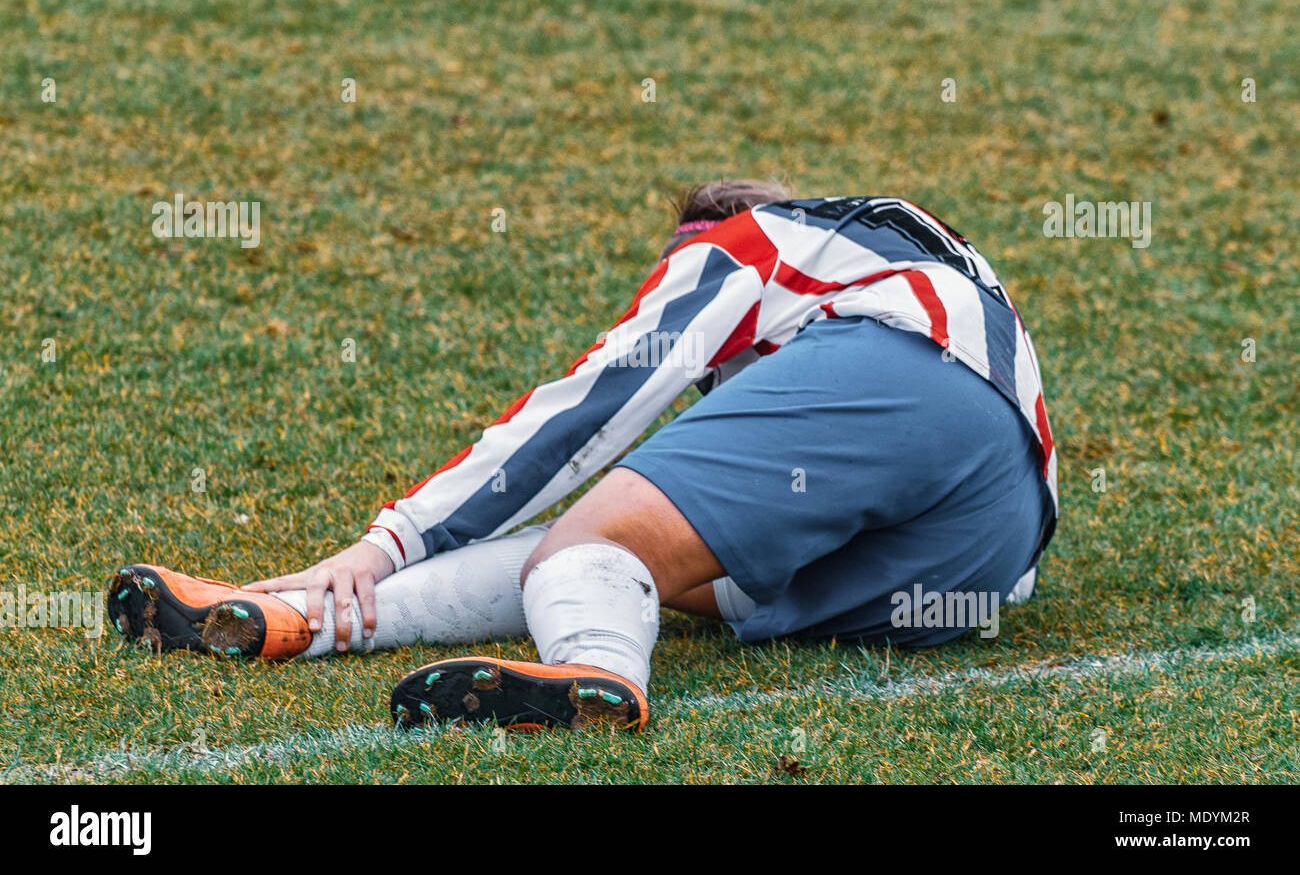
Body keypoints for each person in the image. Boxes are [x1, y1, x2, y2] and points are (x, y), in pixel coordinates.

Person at [107, 181, 1057, 733]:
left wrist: (386, 539)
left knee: (588, 544)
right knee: (636, 562)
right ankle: (297, 620)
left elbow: (587, 412)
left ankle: (602, 671)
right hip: (993, 542)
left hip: (903, 382)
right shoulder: (908, 253)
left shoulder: (748, 241)